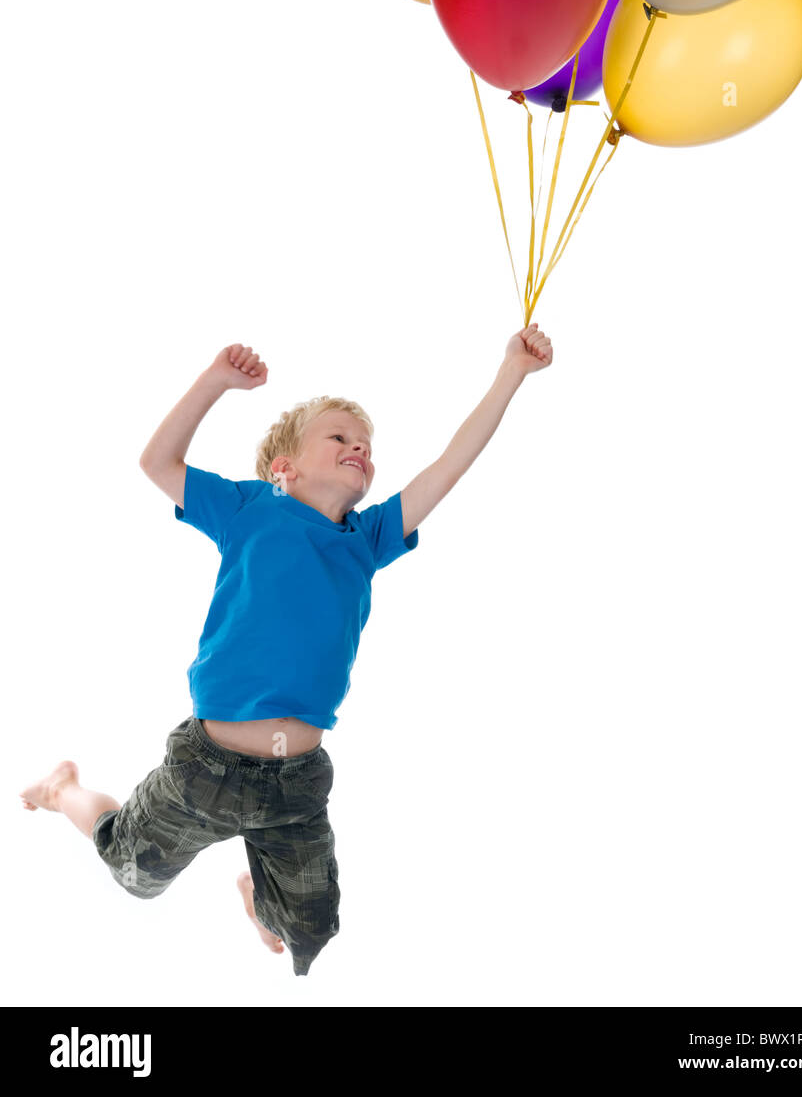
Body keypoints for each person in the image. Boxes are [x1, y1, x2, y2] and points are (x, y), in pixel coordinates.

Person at [21, 325, 553, 975]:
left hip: (294, 784)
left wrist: (510, 372)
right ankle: (64, 791)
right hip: (205, 771)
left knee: (309, 934)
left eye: (366, 445)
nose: (359, 448)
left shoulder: (369, 535)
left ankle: (258, 892)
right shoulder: (253, 508)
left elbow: (450, 464)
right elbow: (158, 463)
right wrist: (216, 381)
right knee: (132, 871)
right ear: (284, 469)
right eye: (340, 438)